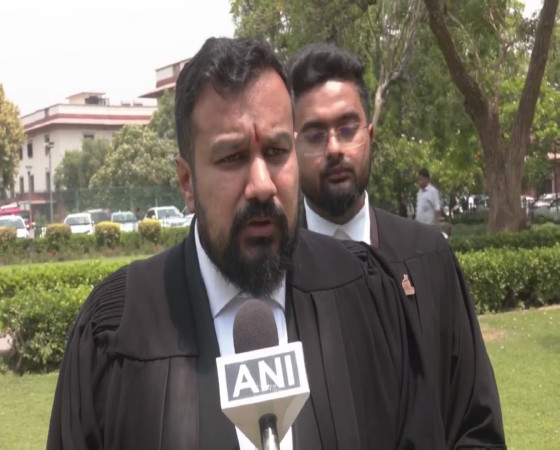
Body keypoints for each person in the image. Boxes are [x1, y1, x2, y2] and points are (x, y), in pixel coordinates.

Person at [47, 37, 444, 450]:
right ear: (187, 181)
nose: (261, 185)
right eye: (232, 157)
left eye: (276, 151)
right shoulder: (118, 333)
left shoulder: (367, 296)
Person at [288, 43, 505, 449]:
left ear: (369, 135)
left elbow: (476, 422)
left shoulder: (429, 257)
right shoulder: (275, 272)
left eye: (348, 129)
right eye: (315, 135)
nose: (334, 148)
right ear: (292, 147)